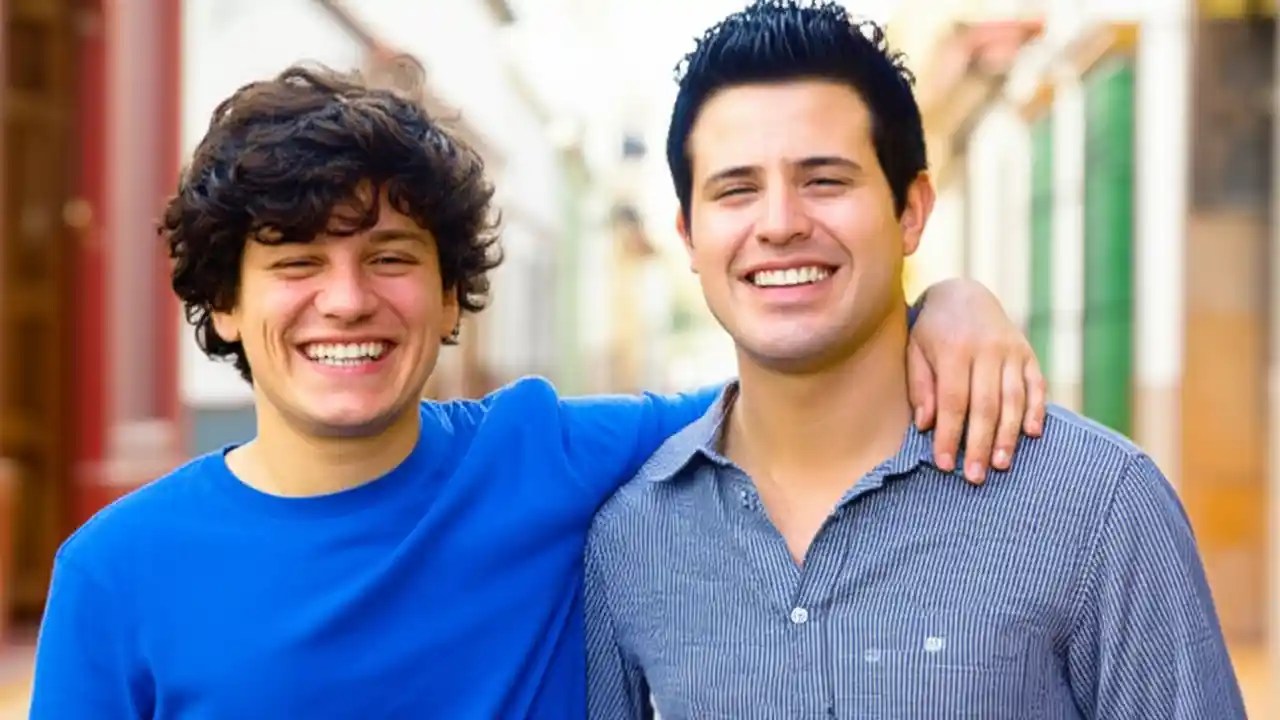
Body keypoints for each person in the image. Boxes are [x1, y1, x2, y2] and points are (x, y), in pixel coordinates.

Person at [28, 57, 1045, 719]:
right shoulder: (115, 574)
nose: (347, 301)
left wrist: (939, 306)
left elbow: (802, 383)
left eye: (389, 257)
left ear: (446, 295)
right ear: (223, 307)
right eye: (294, 264)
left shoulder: (548, 459)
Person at [583, 2, 1246, 719]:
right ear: (688, 235)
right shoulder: (632, 538)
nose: (778, 224)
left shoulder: (1097, 505)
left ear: (911, 210)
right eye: (736, 189)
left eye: (825, 181)